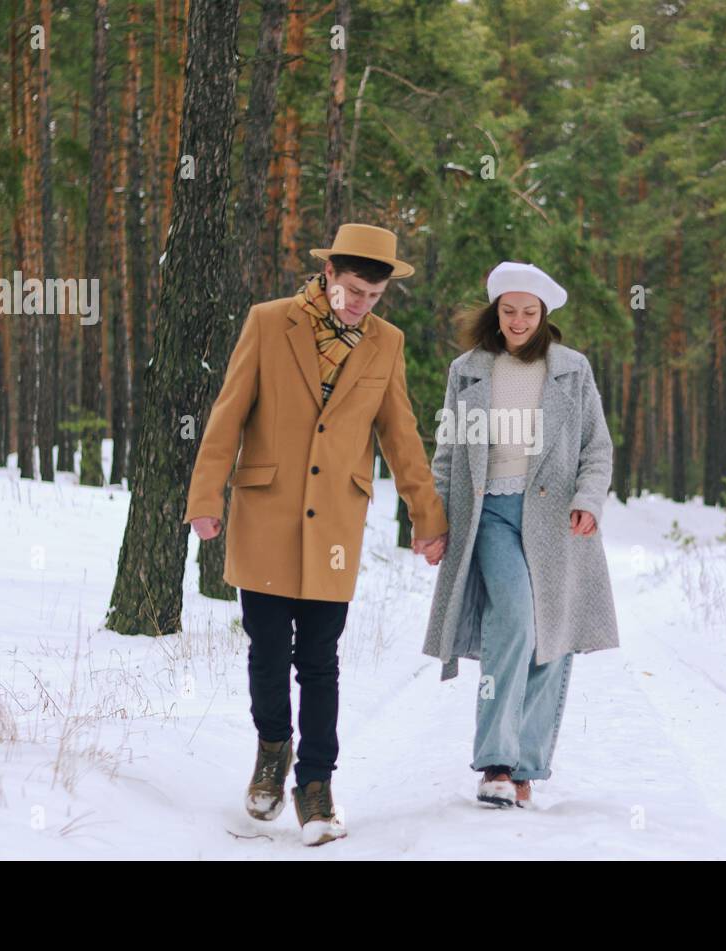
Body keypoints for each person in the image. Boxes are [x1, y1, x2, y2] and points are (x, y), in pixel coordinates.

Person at [183, 223, 449, 845]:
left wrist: (427, 515)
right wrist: (204, 495)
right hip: (266, 511)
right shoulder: (270, 322)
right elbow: (228, 413)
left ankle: (317, 784)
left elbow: (401, 434)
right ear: (328, 274)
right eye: (352, 290)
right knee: (268, 647)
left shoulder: (386, 345)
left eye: (372, 297)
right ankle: (273, 749)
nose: (359, 305)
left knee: (321, 660)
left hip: (334, 521)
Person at [423, 261, 619, 809]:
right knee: (512, 619)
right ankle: (496, 763)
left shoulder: (571, 370)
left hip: (555, 518)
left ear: (544, 315)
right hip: (489, 514)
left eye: (528, 312)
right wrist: (436, 520)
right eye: (508, 311)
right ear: (495, 312)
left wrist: (588, 500)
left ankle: (528, 766)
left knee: (550, 634)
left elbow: (596, 448)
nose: (517, 321)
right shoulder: (468, 370)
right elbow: (447, 453)